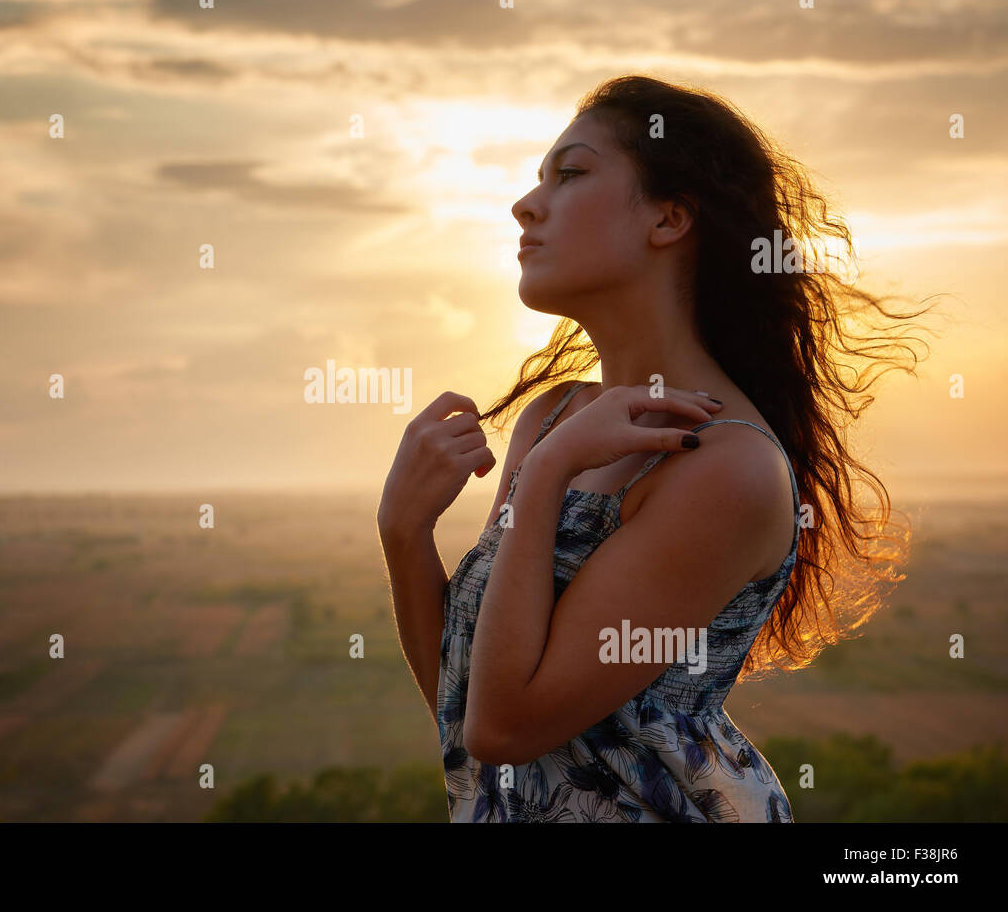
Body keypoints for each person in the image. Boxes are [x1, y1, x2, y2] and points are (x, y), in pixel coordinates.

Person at [378, 74, 941, 822]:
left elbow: (507, 727)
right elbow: (466, 712)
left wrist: (547, 476)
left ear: (670, 219)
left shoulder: (727, 468)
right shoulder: (553, 417)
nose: (525, 203)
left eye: (570, 173)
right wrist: (404, 535)